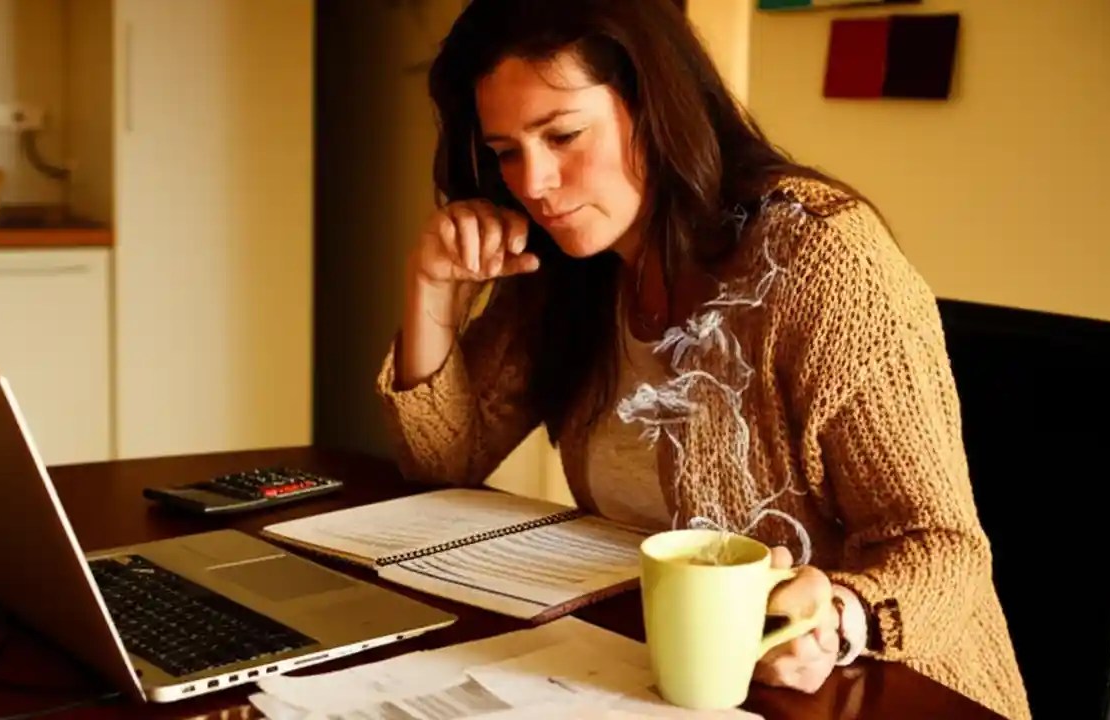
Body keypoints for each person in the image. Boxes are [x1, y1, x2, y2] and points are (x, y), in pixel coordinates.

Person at [374, 1, 1029, 718]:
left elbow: (945, 548)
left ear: (655, 109)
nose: (533, 183)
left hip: (887, 691)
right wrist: (432, 288)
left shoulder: (821, 262)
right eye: (505, 152)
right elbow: (443, 465)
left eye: (562, 135)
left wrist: (840, 616)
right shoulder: (568, 270)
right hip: (667, 686)